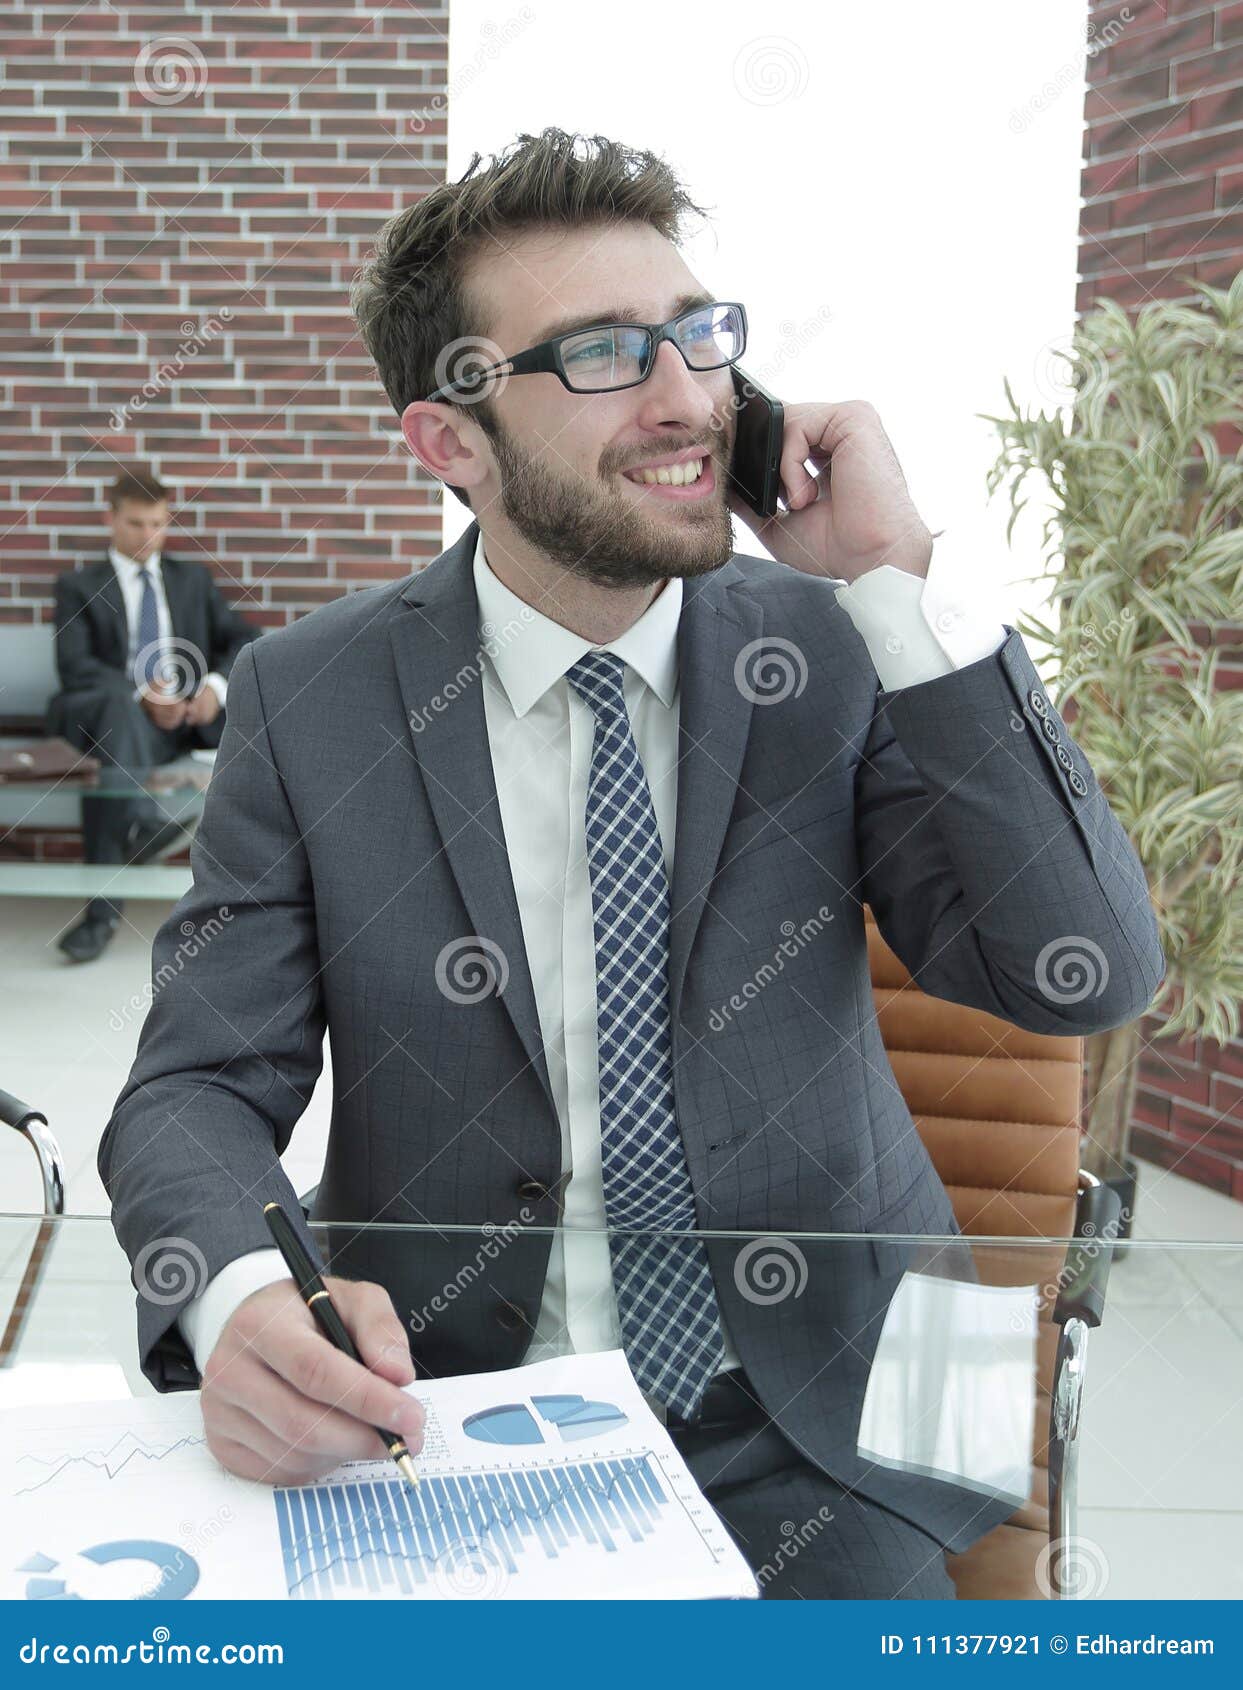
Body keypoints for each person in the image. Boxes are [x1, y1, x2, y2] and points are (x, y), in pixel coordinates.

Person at [99, 130, 1165, 1598]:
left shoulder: (836, 650)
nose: (686, 401)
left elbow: (1085, 970)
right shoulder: (312, 695)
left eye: (698, 337)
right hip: (445, 1408)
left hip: (855, 1400)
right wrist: (232, 1298)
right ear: (449, 442)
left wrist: (896, 585)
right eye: (601, 355)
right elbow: (196, 1083)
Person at [47, 467, 256, 962]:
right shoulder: (78, 586)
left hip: (181, 723)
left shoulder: (191, 580)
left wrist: (213, 687)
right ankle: (128, 857)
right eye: (138, 524)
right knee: (117, 724)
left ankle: (256, 915)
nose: (149, 536)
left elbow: (245, 638)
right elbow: (75, 668)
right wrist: (143, 695)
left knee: (263, 713)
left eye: (159, 524)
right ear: (112, 520)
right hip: (103, 721)